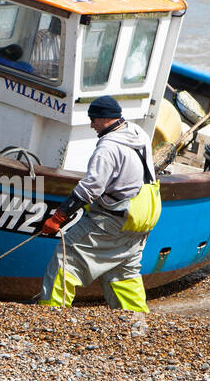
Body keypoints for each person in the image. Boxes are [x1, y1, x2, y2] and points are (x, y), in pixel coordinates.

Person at [38, 95, 161, 312]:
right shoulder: (137, 132)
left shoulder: (108, 148)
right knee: (124, 272)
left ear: (104, 118)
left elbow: (90, 188)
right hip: (144, 217)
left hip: (116, 219)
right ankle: (136, 323)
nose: (91, 125)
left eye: (93, 119)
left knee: (67, 259)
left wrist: (58, 218)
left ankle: (50, 314)